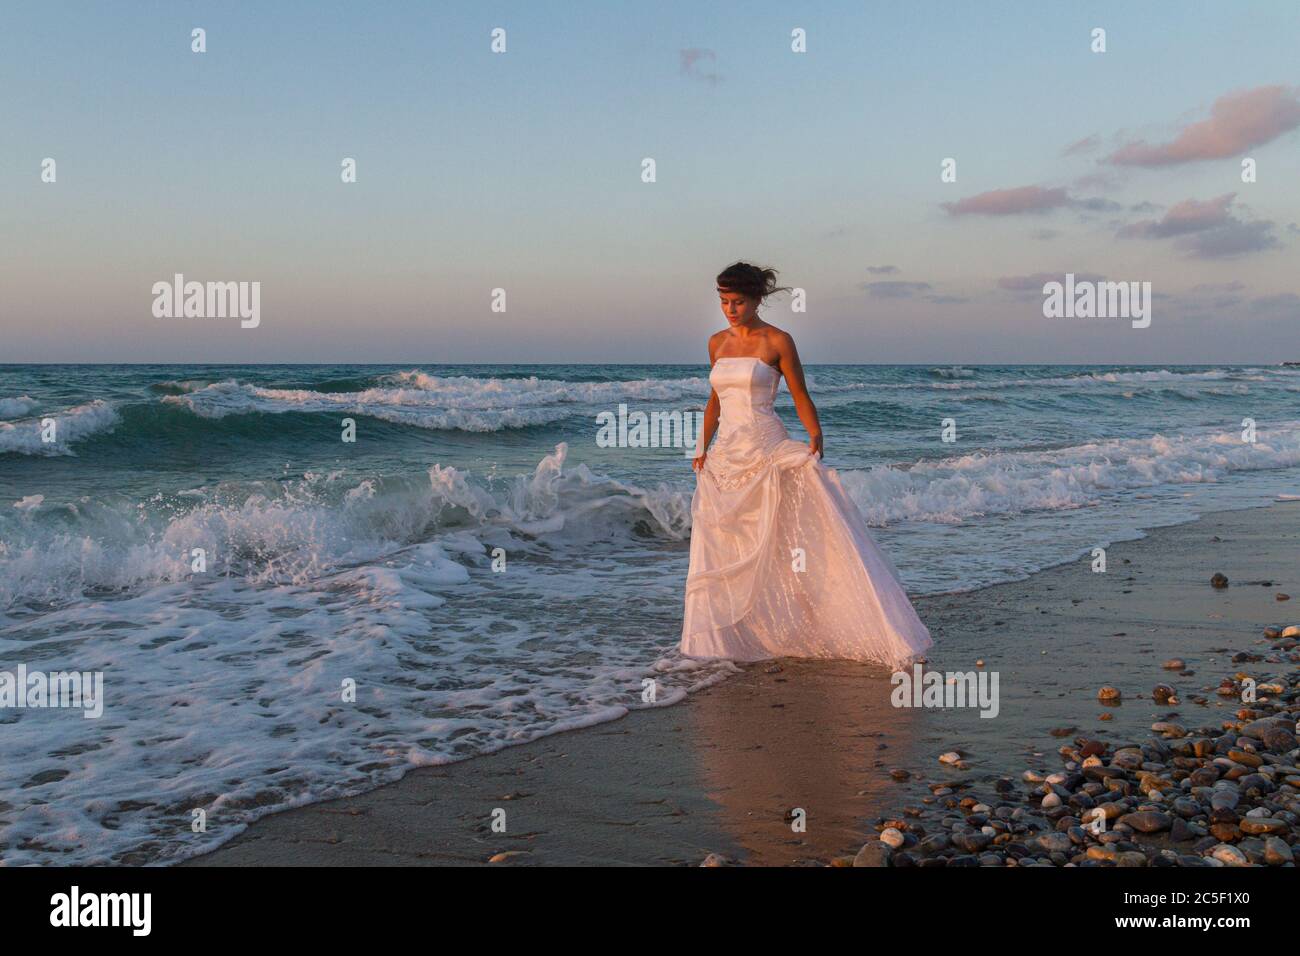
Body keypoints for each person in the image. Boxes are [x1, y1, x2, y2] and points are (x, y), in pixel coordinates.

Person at [681, 261, 933, 667]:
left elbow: (799, 392)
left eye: (738, 302)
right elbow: (715, 401)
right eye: (724, 302)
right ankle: (731, 639)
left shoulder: (778, 340)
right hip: (726, 456)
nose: (730, 309)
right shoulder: (716, 343)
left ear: (757, 299)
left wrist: (815, 433)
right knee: (728, 541)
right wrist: (701, 446)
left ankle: (827, 618)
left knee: (787, 534)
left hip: (766, 446)